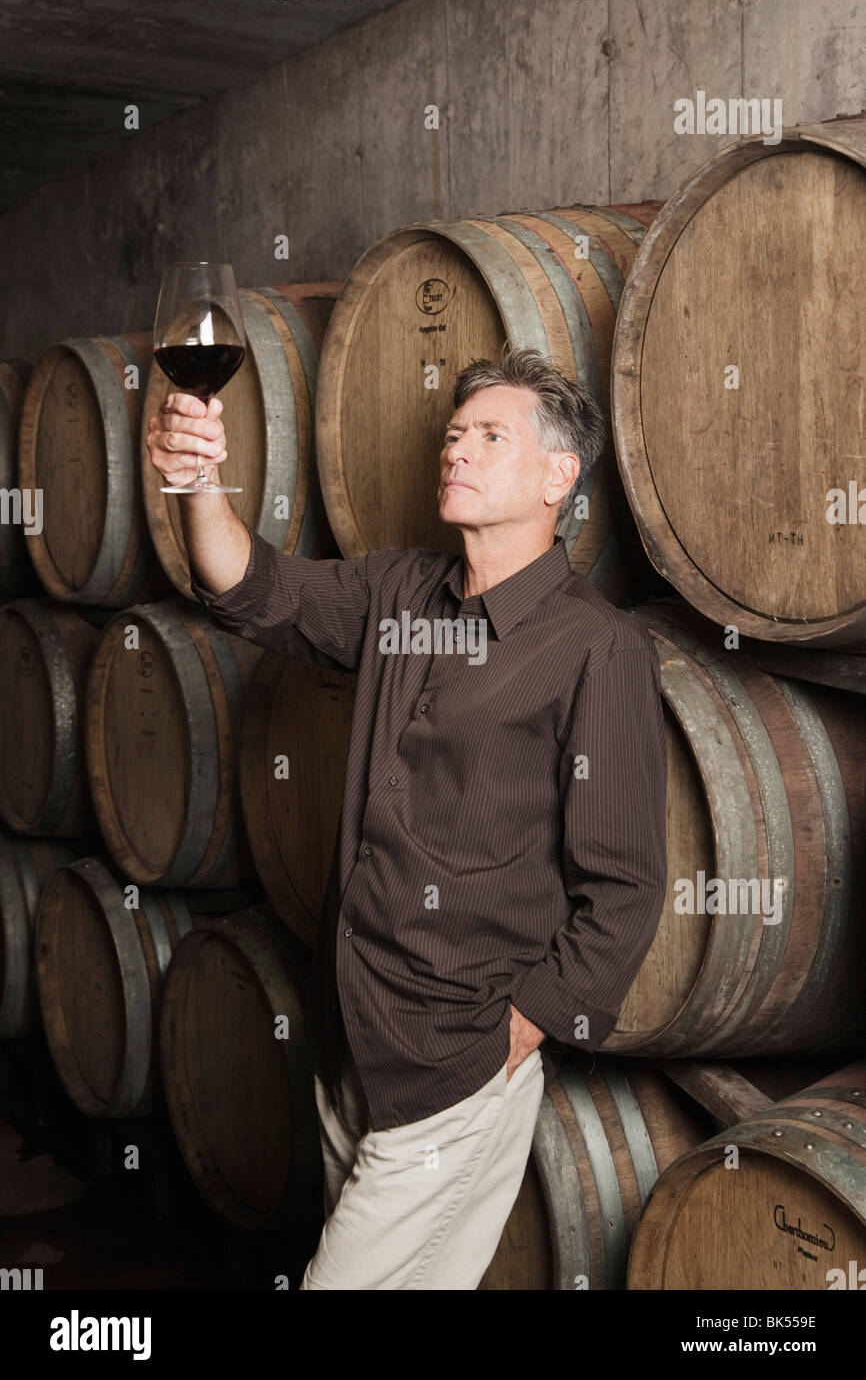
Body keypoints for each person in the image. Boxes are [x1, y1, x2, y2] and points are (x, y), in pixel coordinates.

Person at [146, 340, 668, 1290]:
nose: (456, 449)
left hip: (454, 1060)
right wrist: (199, 481)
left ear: (559, 475)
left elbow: (626, 888)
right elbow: (251, 587)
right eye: (454, 431)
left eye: (490, 435)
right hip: (351, 1034)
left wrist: (516, 1029)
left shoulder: (600, 651)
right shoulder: (399, 592)